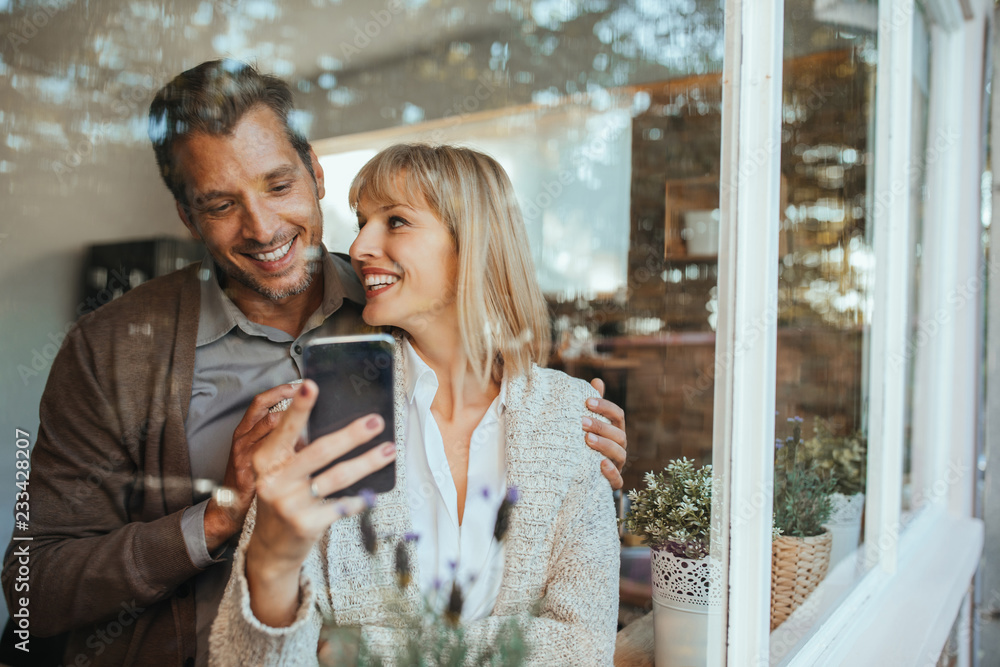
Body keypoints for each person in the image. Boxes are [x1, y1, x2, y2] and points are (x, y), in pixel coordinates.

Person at [0, 61, 628, 667]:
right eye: (221, 205)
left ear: (315, 173)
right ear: (188, 217)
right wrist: (221, 514)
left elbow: (506, 431)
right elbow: (31, 589)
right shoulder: (111, 349)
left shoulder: (394, 302)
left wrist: (576, 442)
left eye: (279, 185)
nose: (263, 226)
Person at [209, 144, 621, 666]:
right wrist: (270, 564)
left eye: (396, 221)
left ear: (473, 241)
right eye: (361, 222)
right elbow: (250, 658)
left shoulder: (570, 414)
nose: (358, 247)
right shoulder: (328, 407)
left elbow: (583, 650)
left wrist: (365, 649)